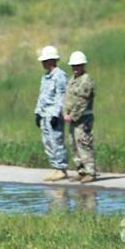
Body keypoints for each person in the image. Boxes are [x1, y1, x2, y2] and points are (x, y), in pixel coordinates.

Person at [34, 45, 68, 181]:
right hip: (44, 114)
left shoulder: (60, 76)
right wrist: (37, 112)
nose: (43, 63)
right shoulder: (45, 77)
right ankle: (55, 167)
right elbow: (42, 95)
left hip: (54, 115)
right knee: (47, 142)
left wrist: (56, 114)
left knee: (56, 141)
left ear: (52, 61)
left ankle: (61, 168)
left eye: (45, 60)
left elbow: (61, 96)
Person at [62, 51, 97, 183]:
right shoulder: (72, 80)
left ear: (83, 65)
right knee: (73, 144)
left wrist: (73, 116)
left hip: (83, 118)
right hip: (71, 118)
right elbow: (67, 98)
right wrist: (64, 113)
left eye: (77, 65)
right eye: (73, 66)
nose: (75, 68)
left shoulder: (86, 80)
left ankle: (90, 171)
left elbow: (82, 101)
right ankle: (81, 171)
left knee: (84, 143)